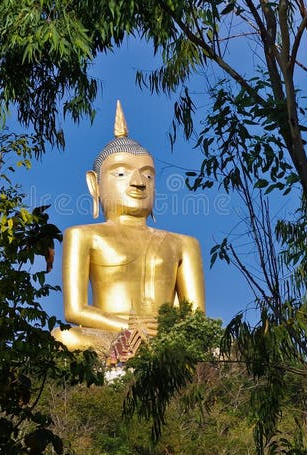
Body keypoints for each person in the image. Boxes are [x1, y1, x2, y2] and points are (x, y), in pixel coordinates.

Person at [53, 102, 205, 361]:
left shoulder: (182, 243)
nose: (138, 183)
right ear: (95, 184)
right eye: (121, 173)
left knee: (222, 345)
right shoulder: (83, 235)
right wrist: (129, 329)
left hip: (164, 338)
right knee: (62, 338)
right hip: (109, 333)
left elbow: (195, 317)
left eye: (148, 176)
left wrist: (161, 332)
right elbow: (75, 310)